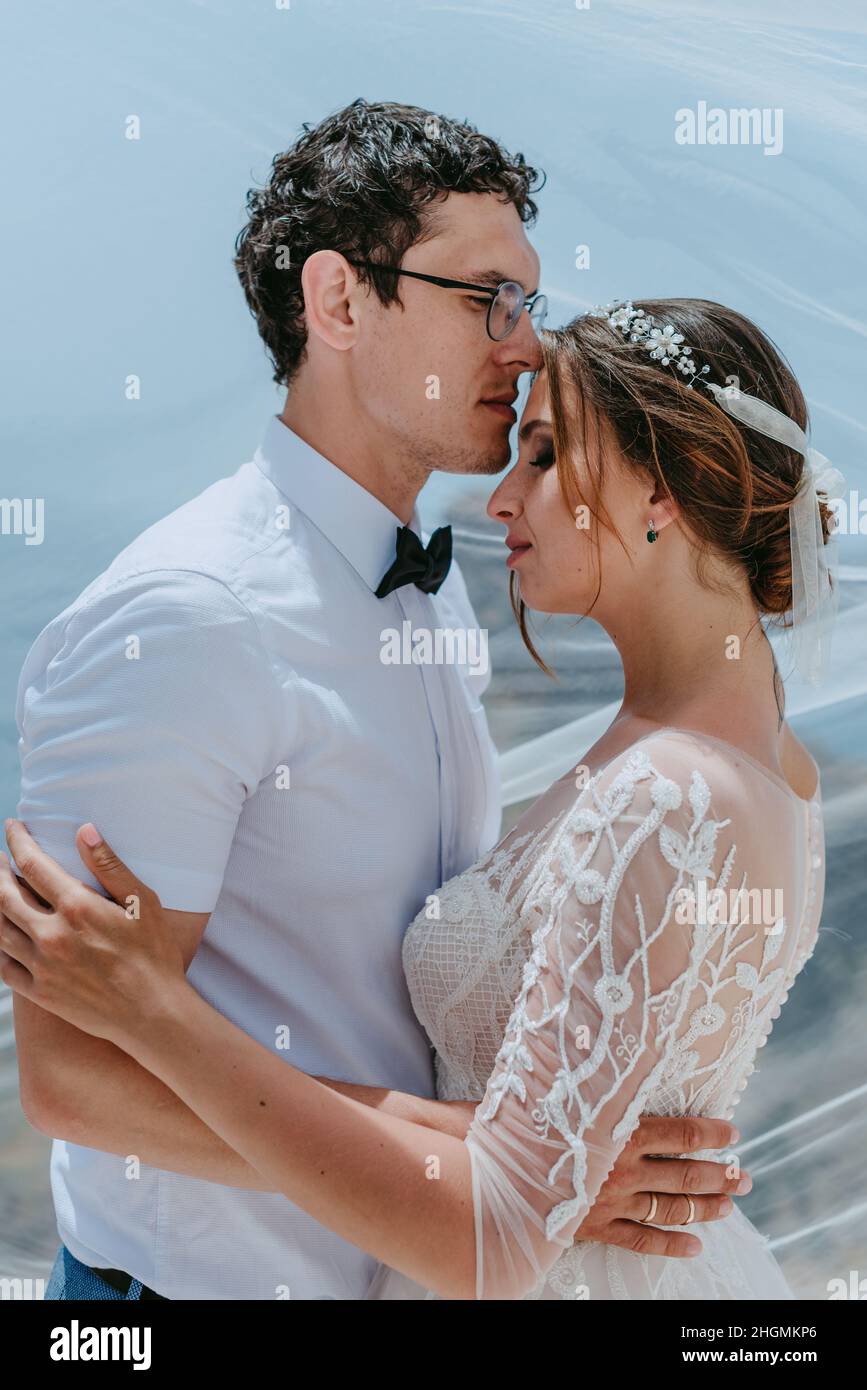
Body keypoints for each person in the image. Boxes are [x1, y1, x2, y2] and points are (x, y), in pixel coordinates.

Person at [1, 285, 836, 1298]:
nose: (500, 498)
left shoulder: (666, 793)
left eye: (543, 455)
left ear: (658, 494)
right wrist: (549, 1169)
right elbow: (539, 1170)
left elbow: (495, 1233)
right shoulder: (771, 766)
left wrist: (154, 1010)